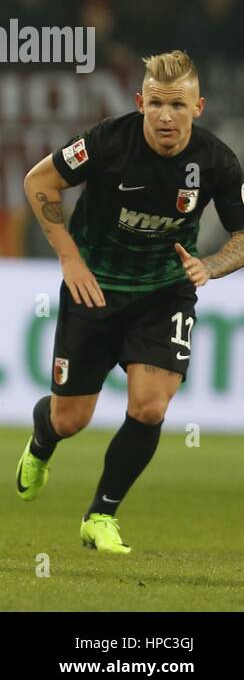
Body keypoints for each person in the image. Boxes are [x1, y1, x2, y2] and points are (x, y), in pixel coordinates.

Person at [17, 51, 244, 553]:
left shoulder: (217, 162)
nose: (167, 116)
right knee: (69, 419)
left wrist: (209, 266)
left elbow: (242, 236)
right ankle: (41, 442)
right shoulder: (107, 141)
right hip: (92, 288)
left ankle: (101, 514)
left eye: (179, 105)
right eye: (157, 104)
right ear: (141, 102)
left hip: (165, 292)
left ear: (198, 107)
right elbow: (40, 182)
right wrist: (70, 260)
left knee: (149, 406)